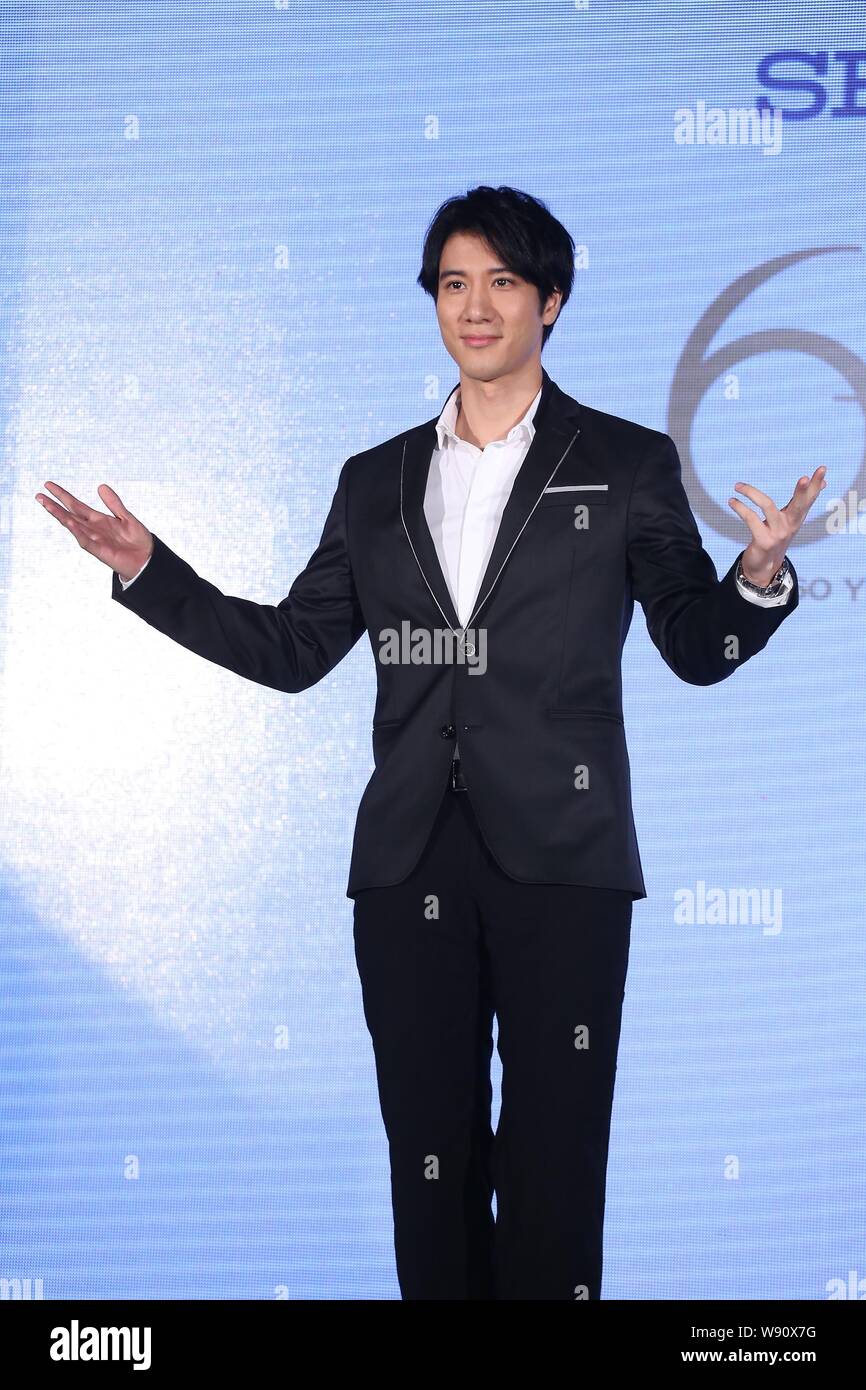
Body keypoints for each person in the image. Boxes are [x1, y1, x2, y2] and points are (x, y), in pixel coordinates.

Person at [36, 185, 825, 1300]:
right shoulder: (374, 479)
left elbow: (694, 648)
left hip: (566, 856)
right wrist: (147, 570)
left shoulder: (627, 463)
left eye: (502, 282)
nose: (475, 305)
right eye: (454, 283)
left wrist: (755, 579)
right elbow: (293, 647)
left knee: (555, 1158)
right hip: (409, 857)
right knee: (429, 1160)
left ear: (549, 301)